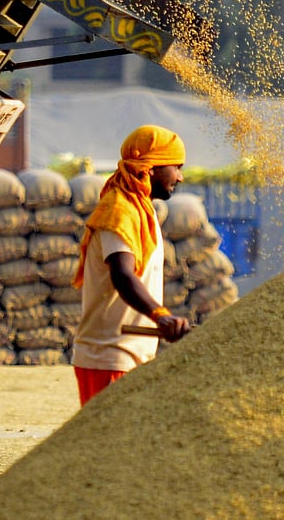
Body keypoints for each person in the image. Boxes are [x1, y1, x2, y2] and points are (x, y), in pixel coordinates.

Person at [71, 125, 193, 406]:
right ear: (151, 168)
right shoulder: (119, 209)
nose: (180, 177)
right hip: (110, 356)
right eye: (176, 167)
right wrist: (161, 315)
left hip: (132, 356)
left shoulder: (141, 208)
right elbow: (122, 274)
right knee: (108, 449)